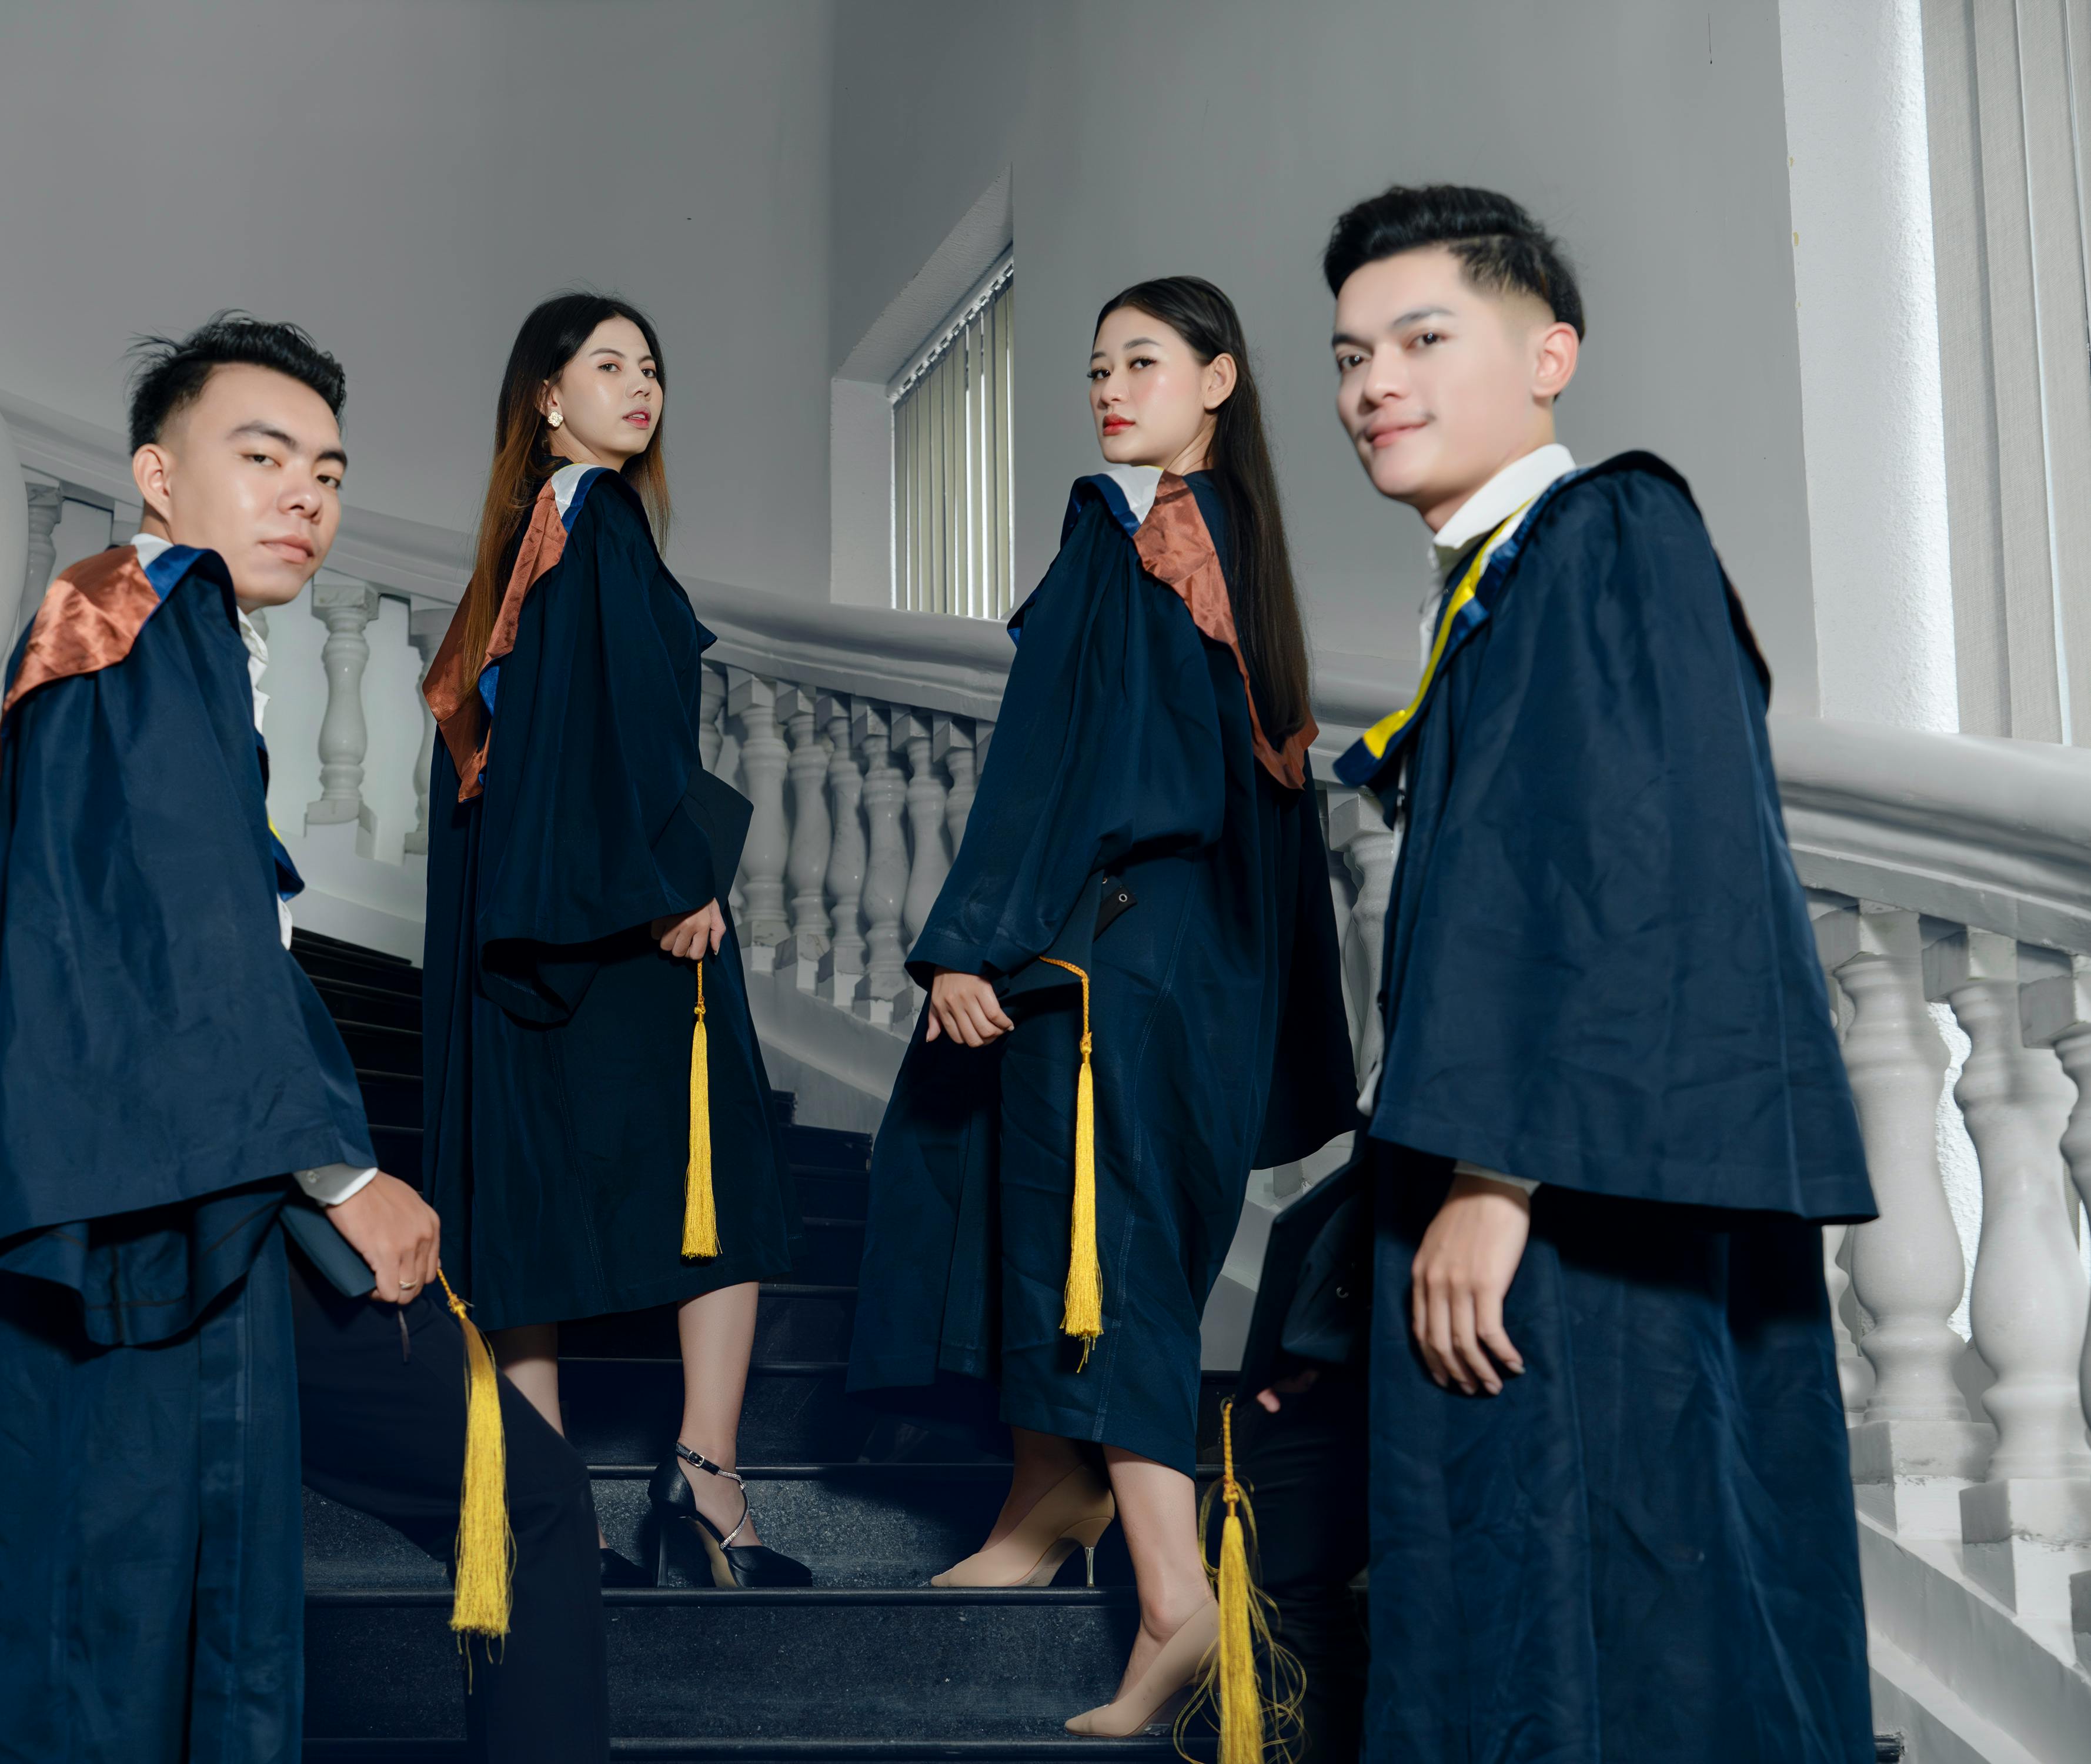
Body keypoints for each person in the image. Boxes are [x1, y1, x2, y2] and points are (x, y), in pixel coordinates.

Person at [0, 315, 608, 1763]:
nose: (307, 499)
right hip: (192, 1206)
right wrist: (343, 1175)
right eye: (261, 457)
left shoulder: (163, 638)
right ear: (159, 476)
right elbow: (184, 939)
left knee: (464, 1504)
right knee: (513, 1491)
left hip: (193, 1182)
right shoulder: (134, 624)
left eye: (330, 474)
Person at [1315, 185, 1877, 1761]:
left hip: (1576, 1202)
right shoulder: (1503, 582)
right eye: (1350, 353)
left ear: (1547, 354)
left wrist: (1496, 1175)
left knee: (1620, 1623)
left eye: (1424, 338)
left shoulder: (1609, 536)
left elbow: (1628, 873)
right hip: (1550, 1181)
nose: (1374, 383)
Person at [846, 276, 1358, 1739]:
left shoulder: (1136, 533)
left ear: (1220, 381)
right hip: (1195, 968)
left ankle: (1173, 1594)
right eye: (1095, 368)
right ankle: (1045, 1489)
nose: (1110, 387)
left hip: (1112, 949)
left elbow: (1059, 768)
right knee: (1039, 1208)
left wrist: (970, 941)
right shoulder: (1232, 552)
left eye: (1145, 361)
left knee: (1105, 1255)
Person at [420, 292, 809, 1590]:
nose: (641, 387)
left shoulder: (521, 548)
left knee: (526, 1194)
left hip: (527, 922)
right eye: (608, 365)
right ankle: (707, 1480)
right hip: (638, 914)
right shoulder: (595, 526)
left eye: (652, 367)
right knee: (729, 1182)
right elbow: (631, 720)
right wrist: (676, 872)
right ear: (547, 396)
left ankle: (548, 1508)